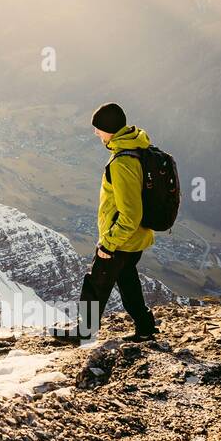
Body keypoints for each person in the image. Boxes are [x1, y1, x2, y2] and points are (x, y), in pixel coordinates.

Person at [53, 102, 159, 344]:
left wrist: (108, 244)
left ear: (109, 130)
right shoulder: (137, 148)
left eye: (98, 128)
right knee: (127, 281)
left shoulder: (123, 163)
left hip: (120, 240)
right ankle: (145, 328)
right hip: (135, 239)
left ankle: (84, 332)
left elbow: (130, 214)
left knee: (95, 283)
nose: (95, 133)